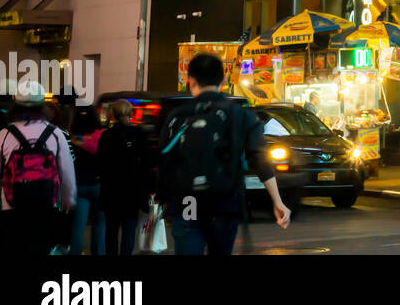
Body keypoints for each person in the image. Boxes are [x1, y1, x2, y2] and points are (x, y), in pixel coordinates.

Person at [158, 53, 290, 255]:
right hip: (224, 204)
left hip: (187, 203)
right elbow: (259, 159)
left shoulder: (177, 116)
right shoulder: (241, 115)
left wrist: (159, 197)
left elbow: (165, 160)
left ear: (190, 81)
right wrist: (277, 201)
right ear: (224, 81)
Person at [0, 81, 76, 255]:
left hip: (12, 207)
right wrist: (68, 199)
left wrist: (6, 180)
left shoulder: (6, 133)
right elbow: (66, 173)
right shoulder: (55, 133)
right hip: (46, 205)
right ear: (43, 106)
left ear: (15, 105)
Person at [97, 99, 150, 256]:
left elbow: (100, 163)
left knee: (111, 231)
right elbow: (146, 164)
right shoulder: (139, 134)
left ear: (113, 115)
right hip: (133, 191)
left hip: (111, 190)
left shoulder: (106, 136)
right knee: (129, 230)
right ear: (131, 113)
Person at [68, 106, 106, 255]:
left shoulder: (72, 137)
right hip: (99, 184)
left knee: (78, 226)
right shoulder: (103, 136)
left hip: (79, 185)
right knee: (100, 225)